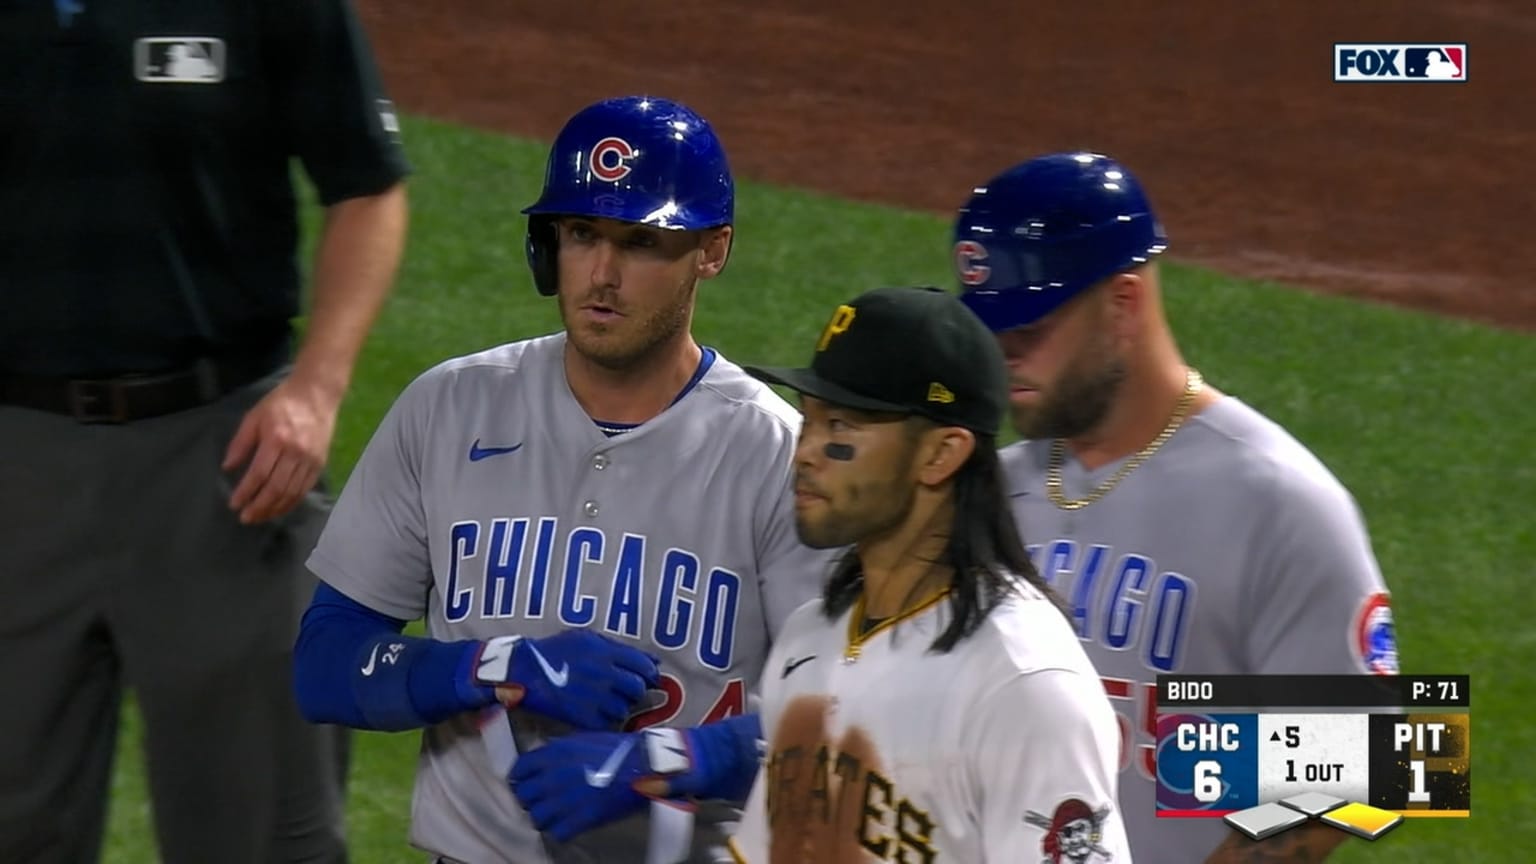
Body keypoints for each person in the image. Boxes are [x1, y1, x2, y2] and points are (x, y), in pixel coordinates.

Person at [291, 94, 835, 864]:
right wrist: (490, 666)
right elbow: (324, 666)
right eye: (581, 235)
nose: (603, 275)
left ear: (712, 251)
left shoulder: (776, 457)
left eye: (641, 241)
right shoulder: (449, 407)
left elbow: (840, 718)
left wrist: (668, 762)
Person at [0, 2, 409, 863]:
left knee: (258, 832)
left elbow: (367, 185)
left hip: (220, 460)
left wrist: (317, 388)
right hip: (15, 461)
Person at [951, 151, 1399, 864]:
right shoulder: (993, 488)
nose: (1004, 358)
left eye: (1028, 330)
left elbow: (1367, 766)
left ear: (1122, 302)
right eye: (990, 332)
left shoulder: (1278, 499)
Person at [728, 286, 1131, 863]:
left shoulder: (1022, 681)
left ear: (941, 454)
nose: (806, 452)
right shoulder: (809, 637)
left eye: (841, 426)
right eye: (810, 421)